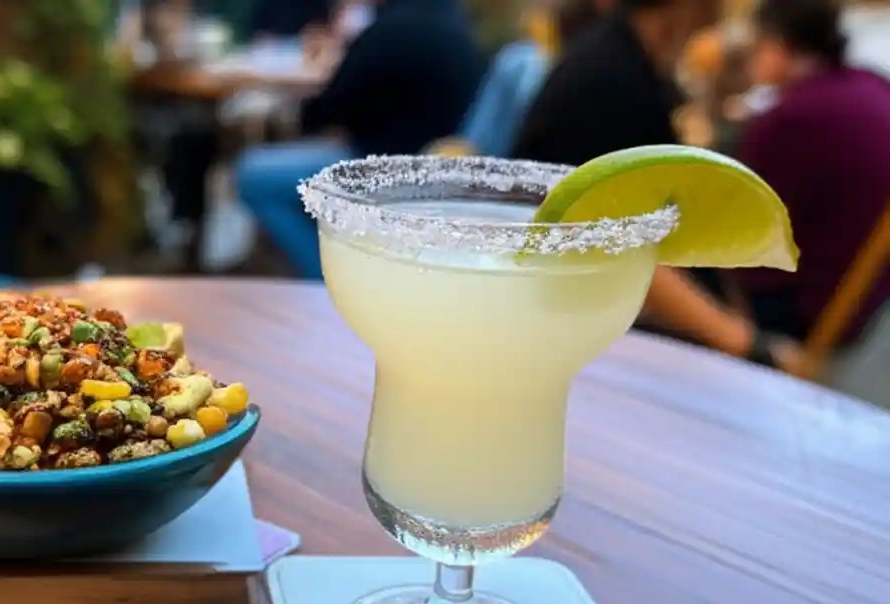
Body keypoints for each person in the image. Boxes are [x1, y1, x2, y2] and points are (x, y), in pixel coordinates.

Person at [513, 0, 804, 367]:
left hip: (625, 315)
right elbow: (603, 235)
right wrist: (747, 344)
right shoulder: (608, 78)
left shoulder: (640, 62)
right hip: (585, 325)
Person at [236, 0, 485, 279]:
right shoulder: (454, 23)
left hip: (387, 168)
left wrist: (290, 114)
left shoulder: (390, 29)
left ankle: (328, 280)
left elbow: (331, 108)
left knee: (253, 174)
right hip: (438, 164)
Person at [732, 0, 890, 347]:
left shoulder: (791, 118)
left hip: (805, 310)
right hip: (865, 305)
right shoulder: (871, 84)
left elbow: (738, 222)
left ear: (776, 46)